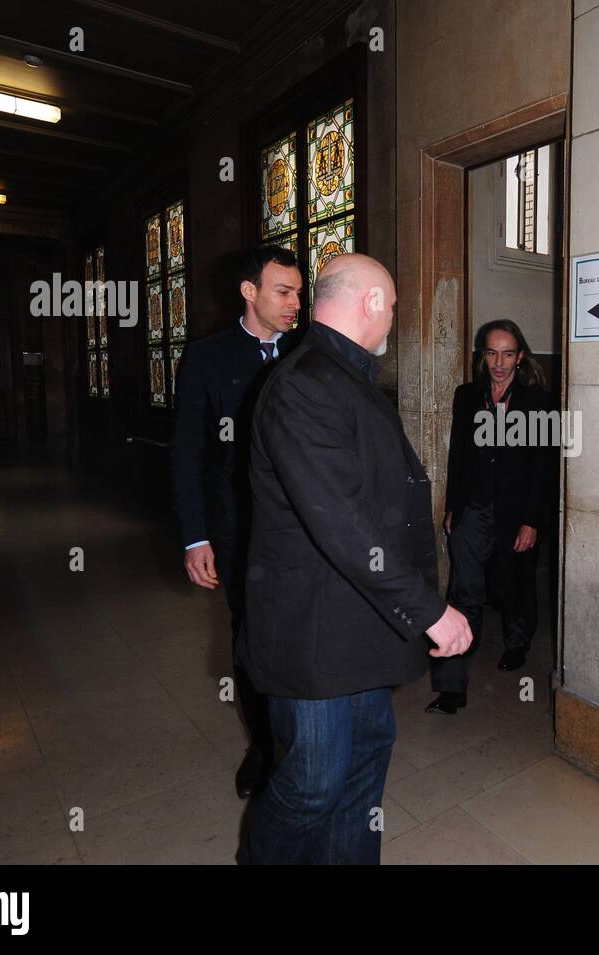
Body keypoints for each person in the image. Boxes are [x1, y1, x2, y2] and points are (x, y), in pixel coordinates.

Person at [238, 252, 473, 865]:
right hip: (313, 635)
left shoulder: (345, 376)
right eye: (391, 306)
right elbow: (342, 523)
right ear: (370, 303)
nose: (392, 317)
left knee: (364, 767)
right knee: (312, 784)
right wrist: (429, 609)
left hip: (361, 624)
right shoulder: (305, 384)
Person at [170, 245, 302, 799]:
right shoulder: (207, 358)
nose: (295, 303)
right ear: (249, 291)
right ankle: (263, 747)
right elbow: (188, 453)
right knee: (250, 640)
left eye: (299, 293)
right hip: (239, 531)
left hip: (306, 529)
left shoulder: (309, 350)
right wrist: (196, 536)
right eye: (283, 292)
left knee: (303, 633)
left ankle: (303, 738)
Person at [427, 320, 555, 715]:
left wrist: (532, 521)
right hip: (473, 510)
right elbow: (459, 455)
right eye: (491, 353)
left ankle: (517, 642)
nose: (499, 363)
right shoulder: (467, 396)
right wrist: (453, 505)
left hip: (516, 513)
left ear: (520, 357)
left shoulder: (538, 401)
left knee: (513, 583)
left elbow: (544, 467)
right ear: (482, 356)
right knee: (463, 590)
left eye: (507, 354)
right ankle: (452, 686)